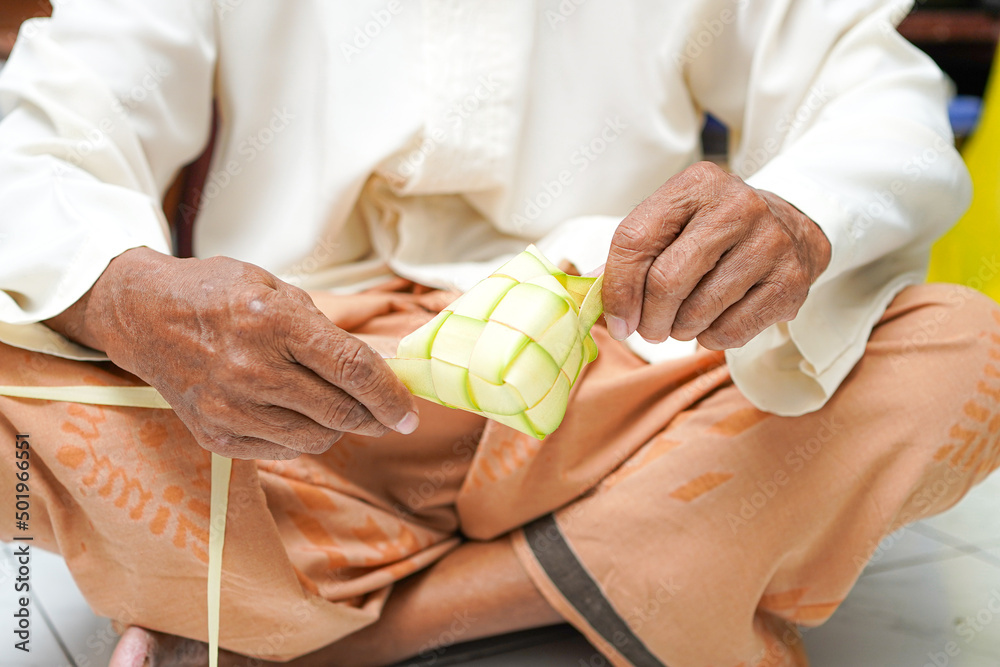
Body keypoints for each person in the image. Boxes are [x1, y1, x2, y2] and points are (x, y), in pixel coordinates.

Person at [1, 1, 998, 666]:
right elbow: (48, 125)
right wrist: (129, 298)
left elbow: (873, 92)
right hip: (289, 397)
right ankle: (619, 570)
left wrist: (795, 211)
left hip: (610, 373)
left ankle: (330, 628)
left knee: (967, 353)